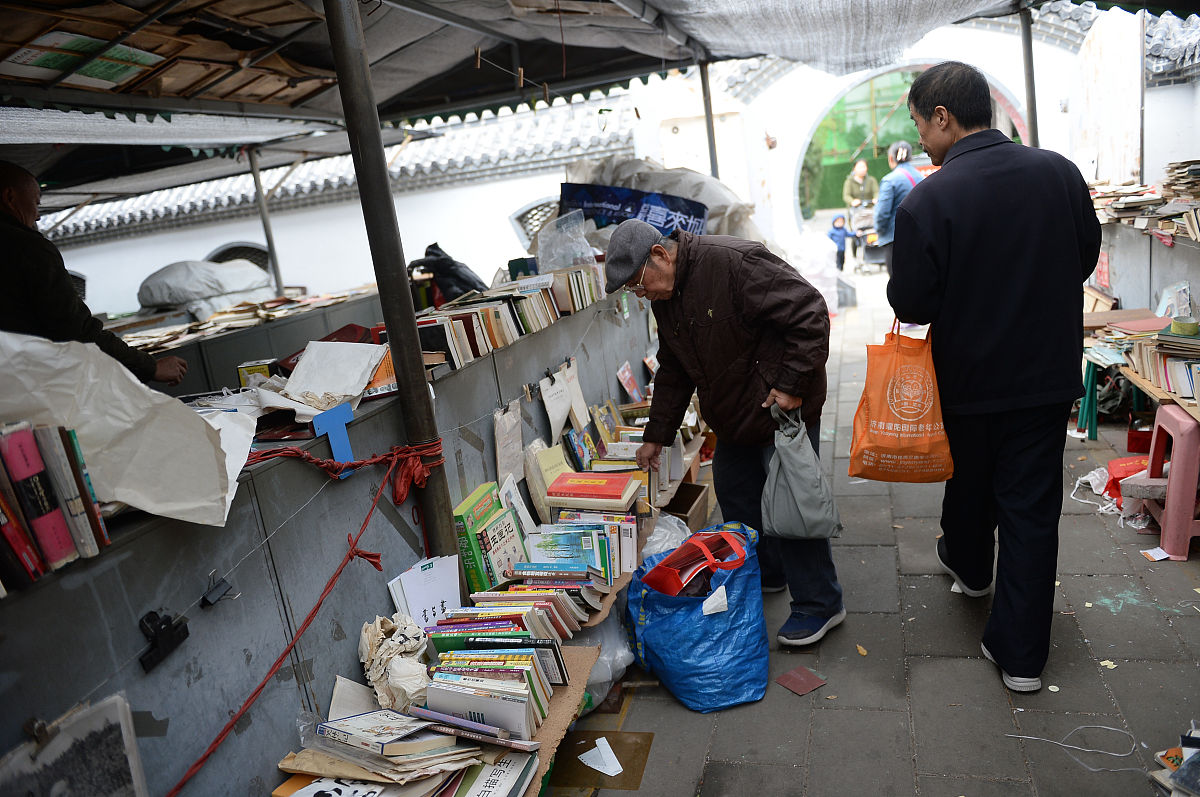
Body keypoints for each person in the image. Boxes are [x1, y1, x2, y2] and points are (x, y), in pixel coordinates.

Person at [886, 62, 1100, 692]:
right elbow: (1083, 257)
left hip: (969, 381)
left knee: (972, 480)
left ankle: (971, 568)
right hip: (1046, 377)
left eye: (921, 124)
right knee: (1031, 511)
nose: (921, 138)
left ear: (944, 118)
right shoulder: (1058, 173)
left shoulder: (931, 197)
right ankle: (1022, 658)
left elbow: (912, 304)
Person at [603, 218, 845, 647]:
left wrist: (791, 385)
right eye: (634, 292)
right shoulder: (667, 293)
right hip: (733, 417)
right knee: (739, 505)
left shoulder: (734, 262)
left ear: (660, 255)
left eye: (640, 284)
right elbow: (675, 367)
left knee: (793, 507)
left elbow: (810, 311)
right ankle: (768, 574)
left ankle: (820, 604)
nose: (643, 296)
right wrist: (656, 433)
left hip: (778, 410)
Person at [0, 161, 187, 386]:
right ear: (10, 197)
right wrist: (150, 366)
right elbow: (75, 329)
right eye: (36, 204)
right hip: (28, 386)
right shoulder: (26, 248)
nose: (38, 216)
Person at [873, 140, 923, 276]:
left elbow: (882, 214)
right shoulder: (920, 177)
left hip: (894, 240)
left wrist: (879, 230)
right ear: (910, 157)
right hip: (920, 238)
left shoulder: (889, 180)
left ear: (891, 158)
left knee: (898, 283)